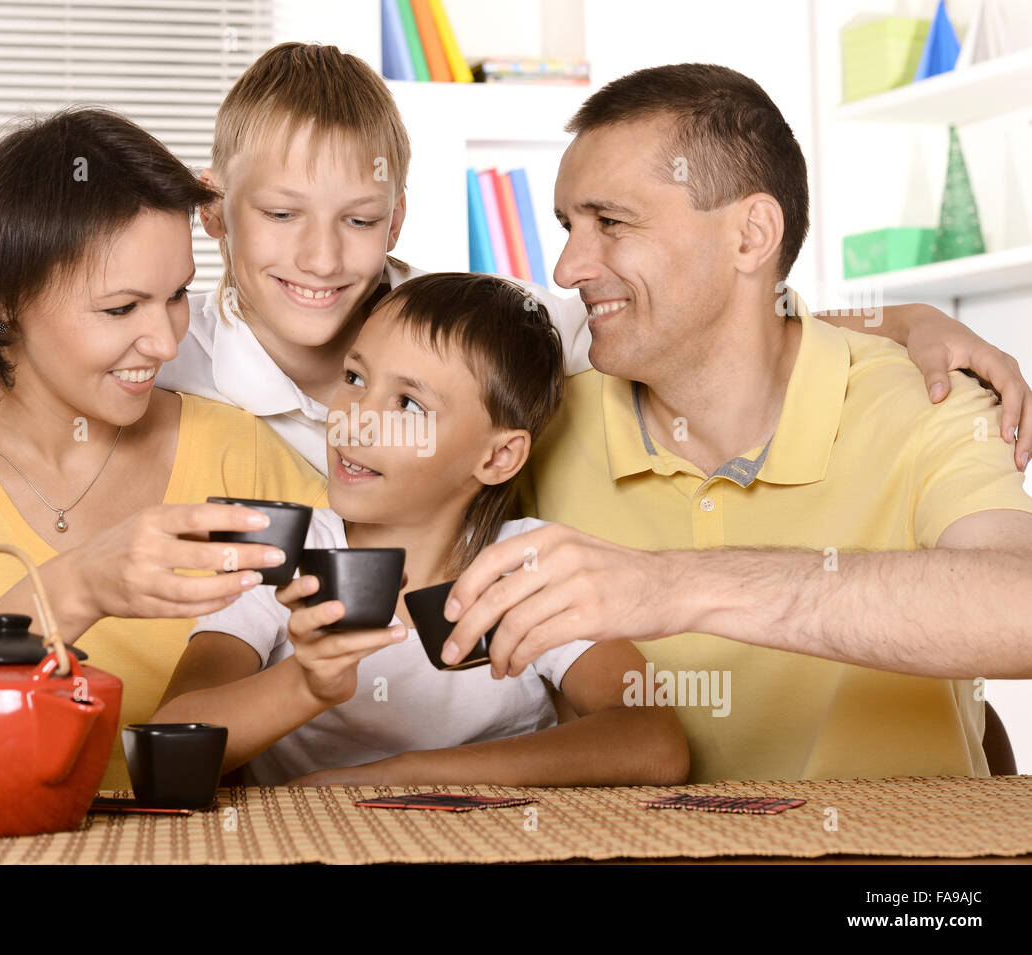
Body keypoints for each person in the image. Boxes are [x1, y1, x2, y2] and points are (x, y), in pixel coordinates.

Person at [0, 43, 1031, 550]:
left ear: (397, 219)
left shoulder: (475, 335)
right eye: (278, 216)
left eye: (358, 220)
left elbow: (695, 313)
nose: (320, 256)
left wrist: (901, 319)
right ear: (214, 216)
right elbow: (34, 380)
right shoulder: (170, 360)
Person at [436, 64, 1032, 783]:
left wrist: (673, 586)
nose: (566, 268)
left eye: (612, 223)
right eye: (568, 226)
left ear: (751, 235)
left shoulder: (924, 402)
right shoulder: (542, 421)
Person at [0, 108, 327, 800]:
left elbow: (399, 585)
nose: (165, 341)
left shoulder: (233, 450)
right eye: (121, 309)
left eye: (178, 295)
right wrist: (78, 586)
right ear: (4, 307)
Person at [156, 273, 688, 786]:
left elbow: (652, 741)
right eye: (354, 378)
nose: (356, 419)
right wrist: (306, 684)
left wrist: (405, 775)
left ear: (500, 456)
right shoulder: (275, 548)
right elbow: (169, 748)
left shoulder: (529, 570)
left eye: (408, 403)